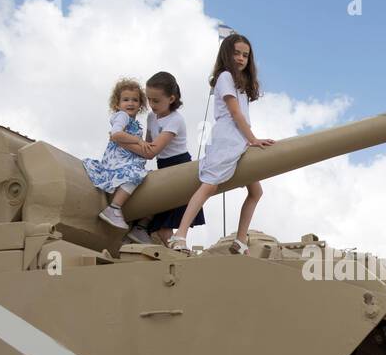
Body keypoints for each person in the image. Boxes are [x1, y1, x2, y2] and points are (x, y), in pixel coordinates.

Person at [169, 35, 274, 254]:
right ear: (227, 54)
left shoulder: (242, 84)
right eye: (236, 53)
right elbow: (234, 113)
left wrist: (249, 140)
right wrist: (253, 139)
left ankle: (241, 240)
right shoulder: (225, 77)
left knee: (256, 192)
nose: (241, 58)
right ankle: (180, 235)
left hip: (241, 139)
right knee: (209, 186)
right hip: (228, 137)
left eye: (245, 55)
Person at [138, 71, 205, 246]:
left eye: (156, 100)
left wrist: (121, 139)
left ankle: (177, 255)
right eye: (149, 99)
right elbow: (146, 143)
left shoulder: (175, 121)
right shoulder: (152, 116)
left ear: (172, 98)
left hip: (179, 167)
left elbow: (151, 150)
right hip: (164, 167)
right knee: (160, 225)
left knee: (165, 224)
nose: (151, 104)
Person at [86, 78, 155, 229]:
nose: (130, 103)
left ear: (140, 105)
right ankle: (114, 208)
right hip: (117, 162)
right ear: (117, 104)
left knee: (144, 178)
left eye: (135, 100)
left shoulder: (134, 123)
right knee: (136, 175)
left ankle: (140, 224)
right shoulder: (122, 116)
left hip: (126, 161)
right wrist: (138, 141)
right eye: (125, 100)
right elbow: (116, 134)